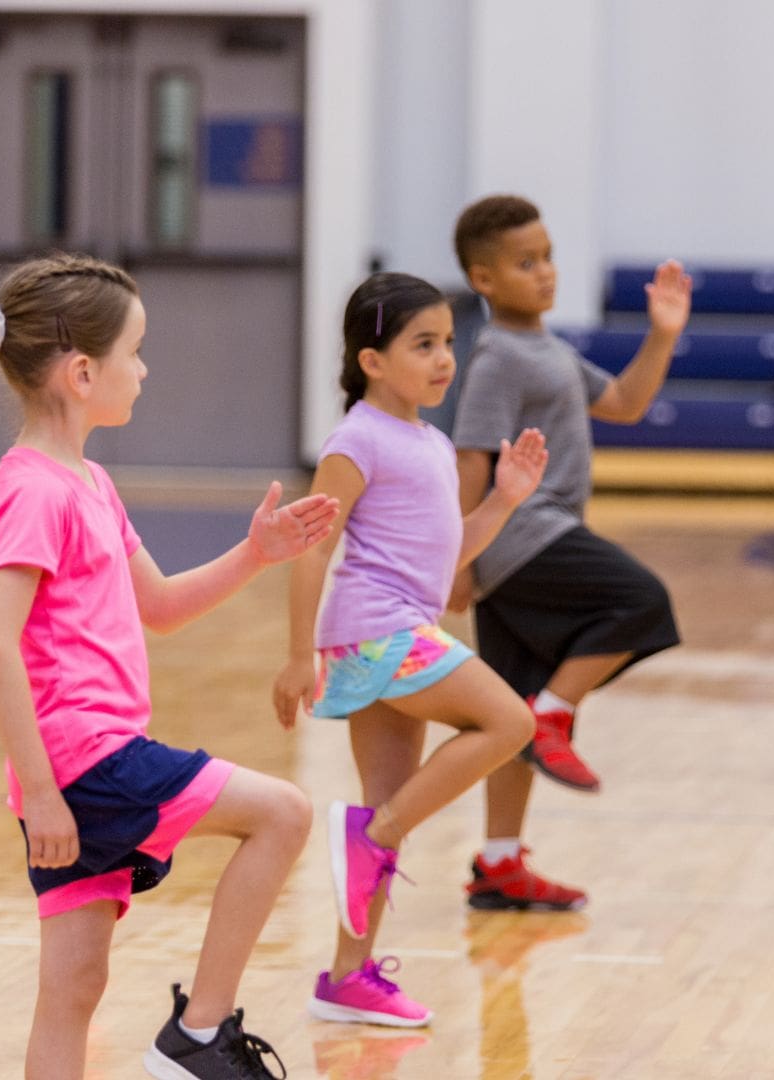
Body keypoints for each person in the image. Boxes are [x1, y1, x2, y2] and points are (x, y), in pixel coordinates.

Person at [0, 252, 340, 1080]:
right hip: (87, 763)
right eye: (136, 351)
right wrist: (42, 788)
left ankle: (194, 1035)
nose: (146, 369)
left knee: (74, 989)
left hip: (81, 767)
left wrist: (255, 554)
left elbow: (159, 606)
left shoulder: (89, 481)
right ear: (83, 372)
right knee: (284, 814)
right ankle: (199, 1032)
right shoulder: (36, 490)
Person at [272, 271, 544, 1026]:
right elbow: (310, 549)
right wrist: (299, 654)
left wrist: (504, 499)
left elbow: (448, 552)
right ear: (372, 360)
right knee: (512, 724)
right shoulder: (356, 438)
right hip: (376, 631)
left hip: (397, 630)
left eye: (448, 343)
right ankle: (380, 837)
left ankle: (347, 979)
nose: (443, 359)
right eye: (423, 344)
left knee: (381, 806)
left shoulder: (423, 439)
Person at [446, 194, 691, 910]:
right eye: (527, 263)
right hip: (526, 536)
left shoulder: (547, 350)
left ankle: (499, 862)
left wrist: (663, 334)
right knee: (642, 600)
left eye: (548, 257)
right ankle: (559, 710)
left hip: (524, 545)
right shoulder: (496, 358)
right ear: (484, 280)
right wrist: (459, 562)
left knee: (508, 711)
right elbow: (470, 460)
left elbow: (624, 403)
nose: (546, 273)